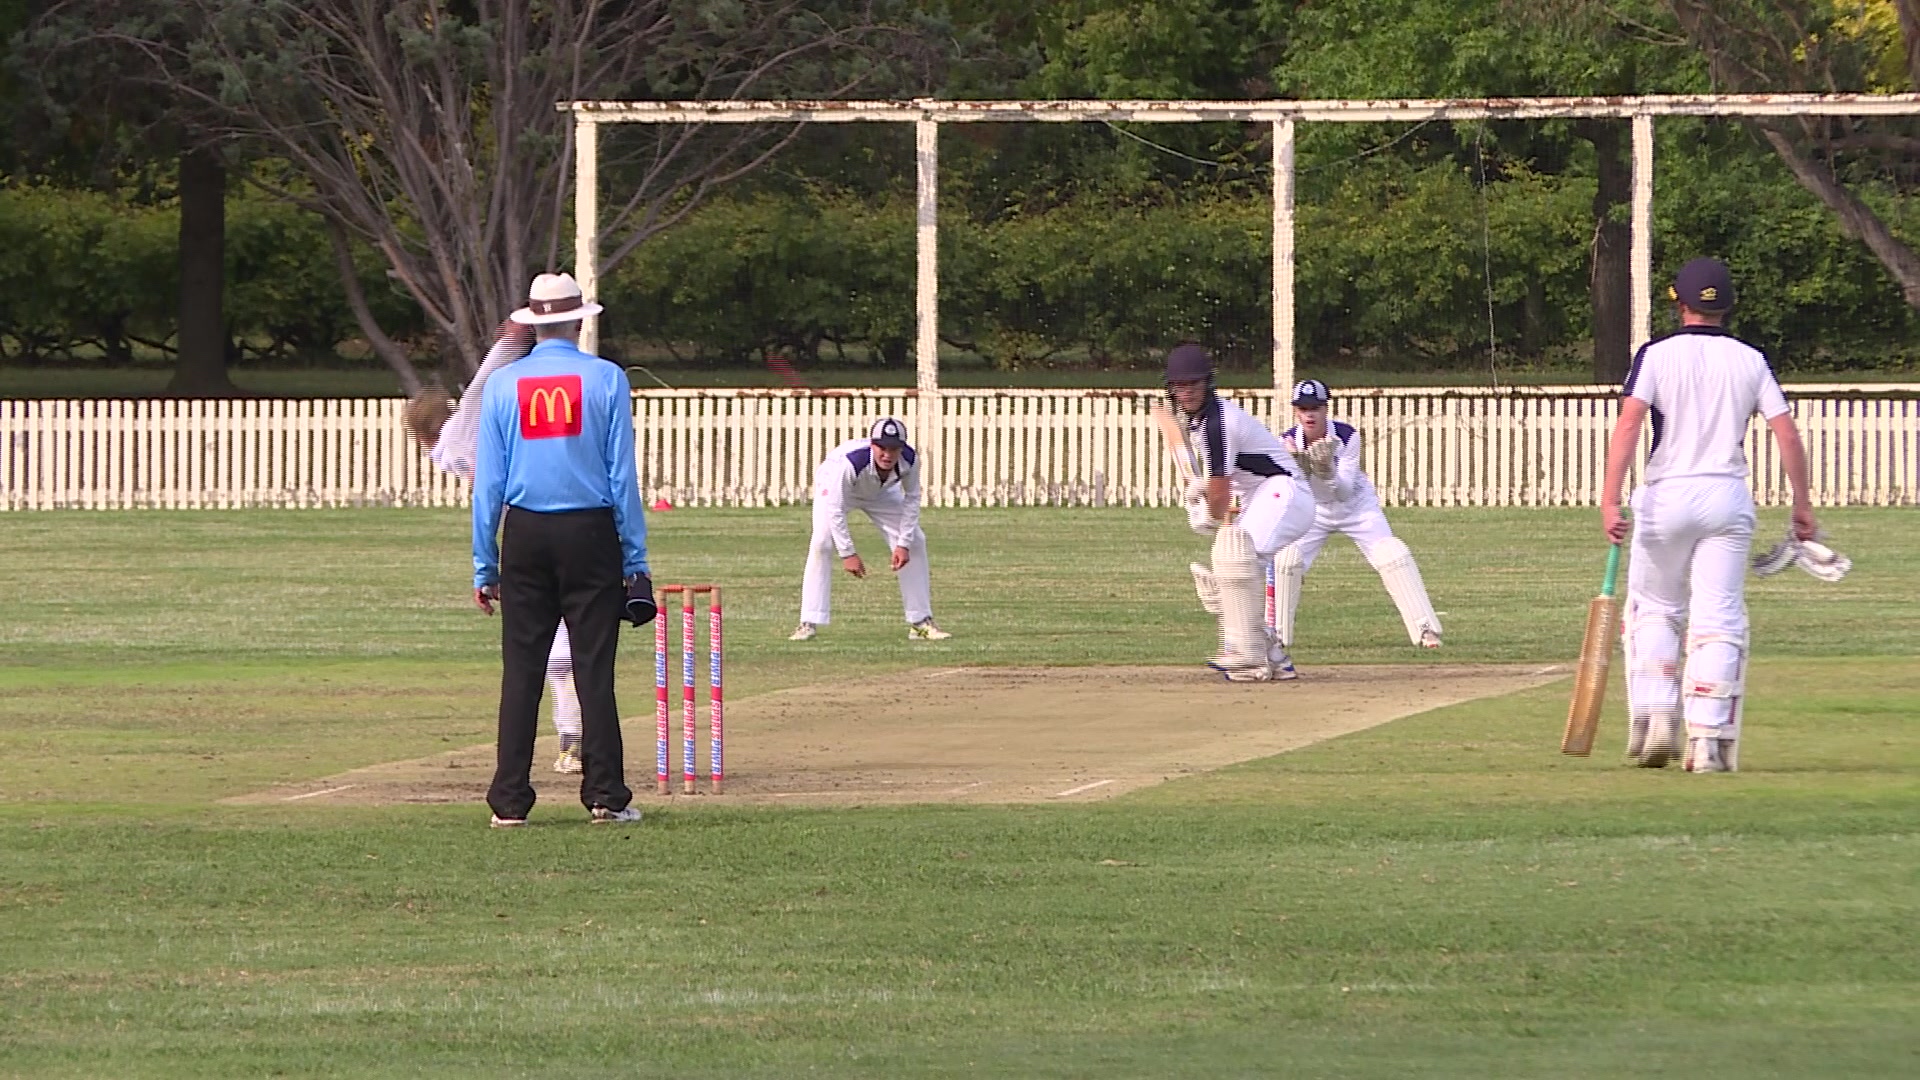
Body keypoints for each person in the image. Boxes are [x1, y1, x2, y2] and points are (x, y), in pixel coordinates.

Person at [1600, 257, 1817, 773]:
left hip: (1666, 496)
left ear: (1680, 302)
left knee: (1655, 608)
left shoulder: (1655, 354)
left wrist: (1610, 498)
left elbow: (1630, 424)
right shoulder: (1751, 359)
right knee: (1718, 617)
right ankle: (1707, 741)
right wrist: (1801, 505)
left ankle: (1655, 720)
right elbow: (1786, 432)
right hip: (1726, 498)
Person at [472, 272, 654, 826]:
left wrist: (485, 561)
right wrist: (634, 556)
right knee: (593, 670)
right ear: (578, 319)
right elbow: (621, 475)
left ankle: (509, 802)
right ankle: (604, 795)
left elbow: (489, 483)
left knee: (521, 671)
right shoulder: (606, 378)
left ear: (532, 322)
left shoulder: (505, 384)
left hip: (525, 533)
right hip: (590, 532)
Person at [414, 320, 588, 776]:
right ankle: (574, 738)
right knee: (563, 649)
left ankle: (567, 741)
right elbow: (479, 392)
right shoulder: (460, 436)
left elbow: (478, 393)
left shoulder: (454, 439)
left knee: (550, 655)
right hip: (558, 522)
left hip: (526, 531)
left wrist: (512, 339)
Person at [1168, 344, 1317, 682]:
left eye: (1193, 384)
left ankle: (1244, 651)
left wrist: (1207, 513)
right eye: (1179, 385)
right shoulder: (1199, 422)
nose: (1186, 392)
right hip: (1264, 496)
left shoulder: (1218, 423)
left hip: (1285, 492)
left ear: (1208, 383)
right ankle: (1273, 656)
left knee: (1237, 559)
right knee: (1231, 561)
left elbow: (1220, 489)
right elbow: (1225, 483)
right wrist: (1203, 494)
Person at [1274, 378, 1443, 650]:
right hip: (1314, 511)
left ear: (1325, 409)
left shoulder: (1347, 436)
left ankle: (1425, 629)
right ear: (1295, 411)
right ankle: (1277, 636)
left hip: (1356, 507)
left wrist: (1327, 469)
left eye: (1315, 407)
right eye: (1303, 408)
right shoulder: (1286, 442)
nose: (1309, 414)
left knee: (1392, 554)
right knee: (1286, 561)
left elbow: (1342, 491)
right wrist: (1299, 467)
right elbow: (1292, 490)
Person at [791, 417, 951, 642]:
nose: (887, 454)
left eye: (893, 449)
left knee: (916, 541)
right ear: (872, 445)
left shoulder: (910, 460)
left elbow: (912, 498)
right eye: (882, 448)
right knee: (822, 543)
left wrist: (902, 544)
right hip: (837, 488)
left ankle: (920, 622)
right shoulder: (849, 463)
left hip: (882, 492)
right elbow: (835, 509)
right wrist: (848, 554)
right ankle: (808, 622)